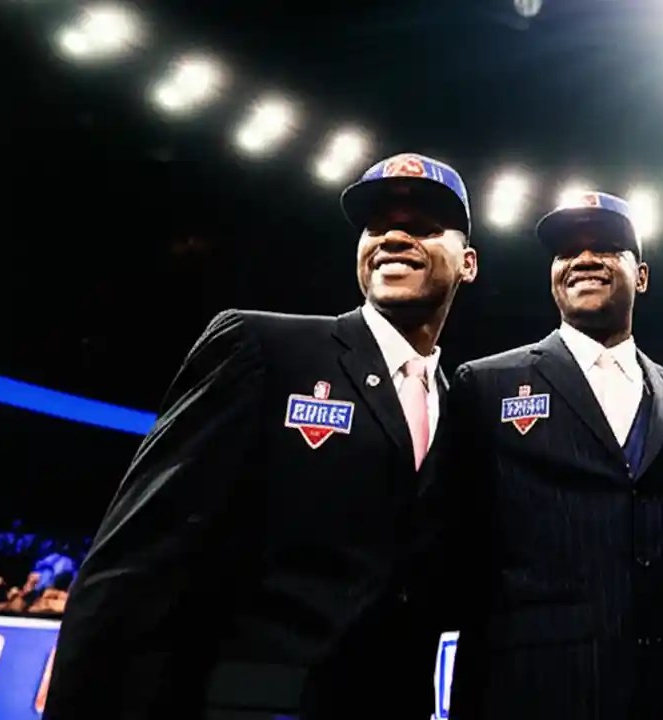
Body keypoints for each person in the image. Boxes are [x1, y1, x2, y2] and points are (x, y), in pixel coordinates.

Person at [43, 152, 478, 720]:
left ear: (468, 264)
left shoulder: (461, 403)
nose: (394, 236)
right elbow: (135, 562)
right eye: (377, 226)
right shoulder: (262, 347)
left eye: (423, 226)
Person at [437, 191, 663, 719]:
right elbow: (455, 552)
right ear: (552, 275)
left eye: (608, 247)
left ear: (642, 276)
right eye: (567, 250)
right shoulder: (484, 387)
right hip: (532, 697)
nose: (585, 259)